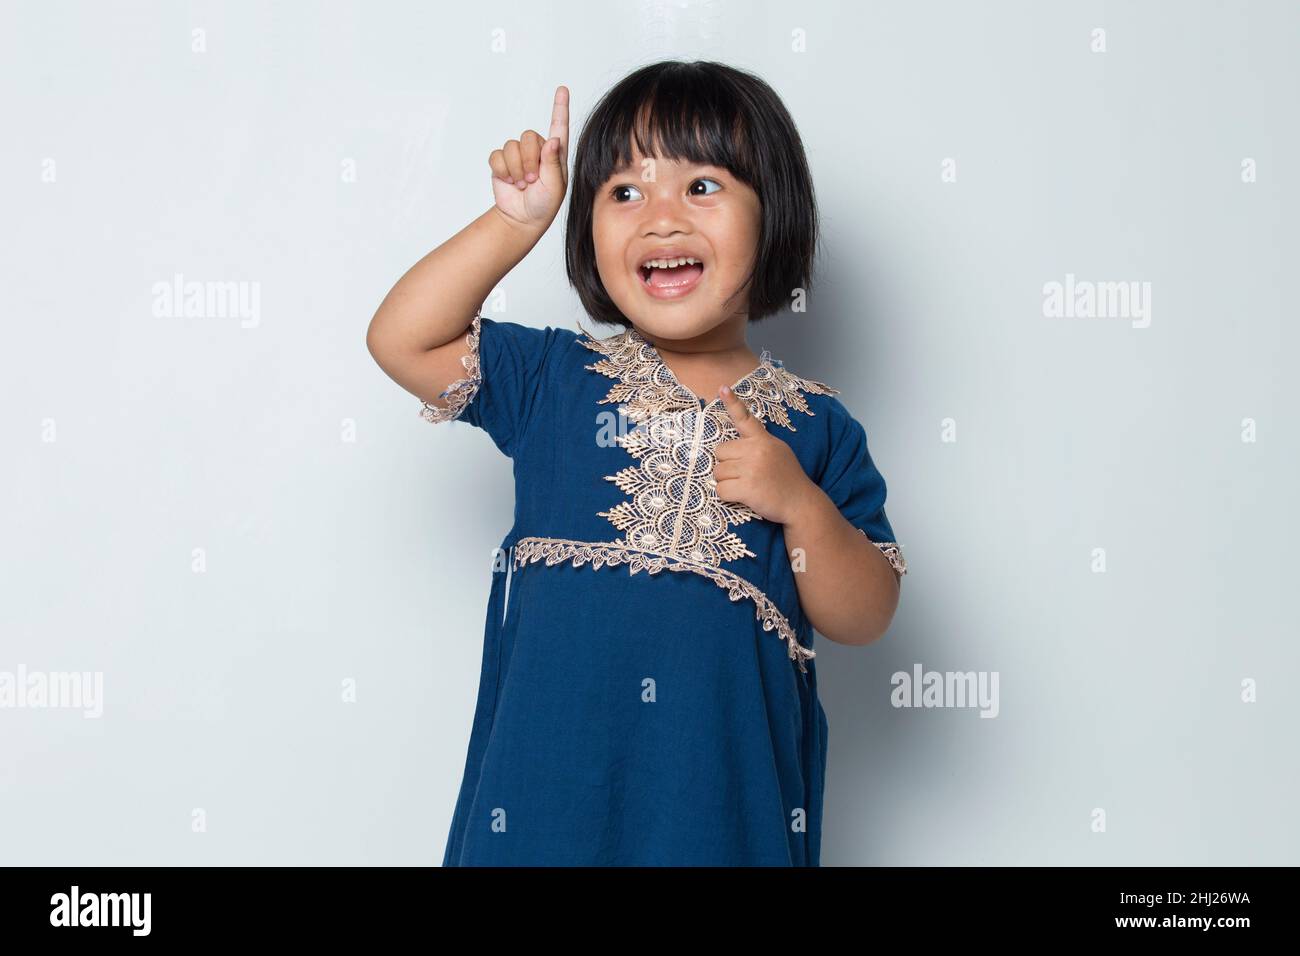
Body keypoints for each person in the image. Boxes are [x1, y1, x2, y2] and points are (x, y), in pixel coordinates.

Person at [366, 60, 906, 866]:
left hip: (718, 813)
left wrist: (800, 505)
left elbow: (865, 613)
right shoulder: (551, 380)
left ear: (774, 217)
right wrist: (515, 226)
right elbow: (401, 339)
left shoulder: (817, 425)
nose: (659, 217)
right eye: (623, 192)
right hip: (546, 802)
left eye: (702, 187)